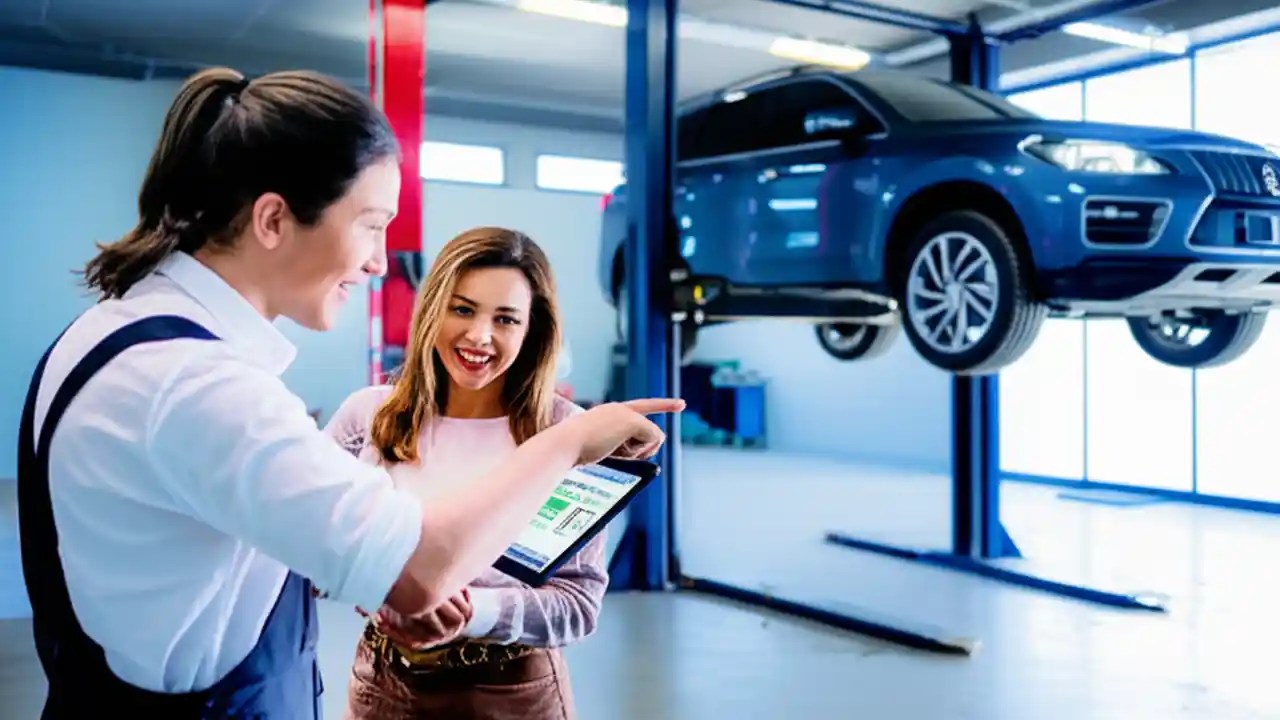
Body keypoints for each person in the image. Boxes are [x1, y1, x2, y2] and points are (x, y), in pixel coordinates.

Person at [16, 66, 682, 719]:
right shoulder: (203, 386)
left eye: (507, 317)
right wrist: (568, 445)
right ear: (273, 220)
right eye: (370, 223)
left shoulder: (114, 333)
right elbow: (420, 571)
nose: (377, 260)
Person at [324, 227, 605, 719]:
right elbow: (306, 545)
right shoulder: (366, 416)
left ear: (532, 329)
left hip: (511, 693)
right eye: (462, 309)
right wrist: (373, 586)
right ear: (433, 309)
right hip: (381, 684)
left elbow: (578, 603)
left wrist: (476, 612)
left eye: (505, 319)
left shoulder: (566, 434)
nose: (479, 335)